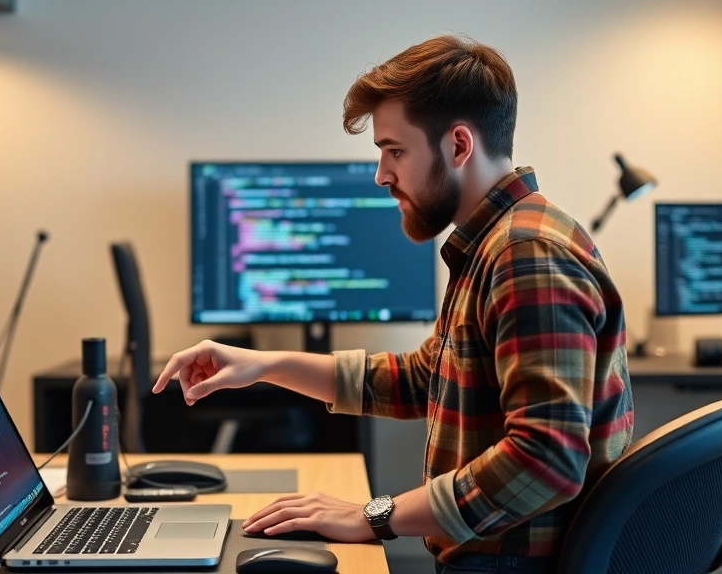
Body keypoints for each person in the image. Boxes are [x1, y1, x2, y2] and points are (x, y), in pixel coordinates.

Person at [153, 34, 634, 574]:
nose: (382, 174)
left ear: (457, 145)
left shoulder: (527, 255)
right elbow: (426, 378)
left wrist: (374, 516)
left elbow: (547, 460)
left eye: (394, 151)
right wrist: (266, 365)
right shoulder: (499, 241)